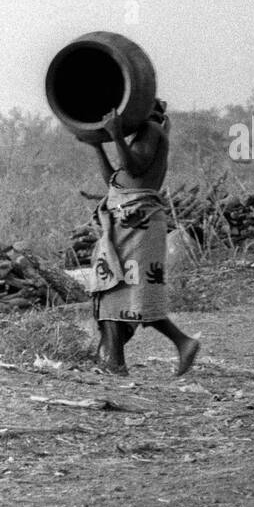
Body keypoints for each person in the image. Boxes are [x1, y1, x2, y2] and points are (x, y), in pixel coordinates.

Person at [79, 99, 200, 377]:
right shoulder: (144, 135)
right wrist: (99, 144)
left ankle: (124, 360)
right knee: (120, 290)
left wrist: (116, 135)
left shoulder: (151, 130)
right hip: (129, 224)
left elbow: (132, 167)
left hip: (137, 223)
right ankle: (116, 359)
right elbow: (116, 179)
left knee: (122, 289)